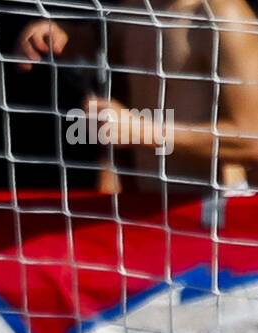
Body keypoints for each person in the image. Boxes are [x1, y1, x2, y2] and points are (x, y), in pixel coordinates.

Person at [16, 0, 258, 197]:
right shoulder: (134, 10)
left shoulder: (224, 15)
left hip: (216, 214)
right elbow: (92, 42)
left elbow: (253, 139)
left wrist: (144, 131)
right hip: (148, 214)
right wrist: (56, 35)